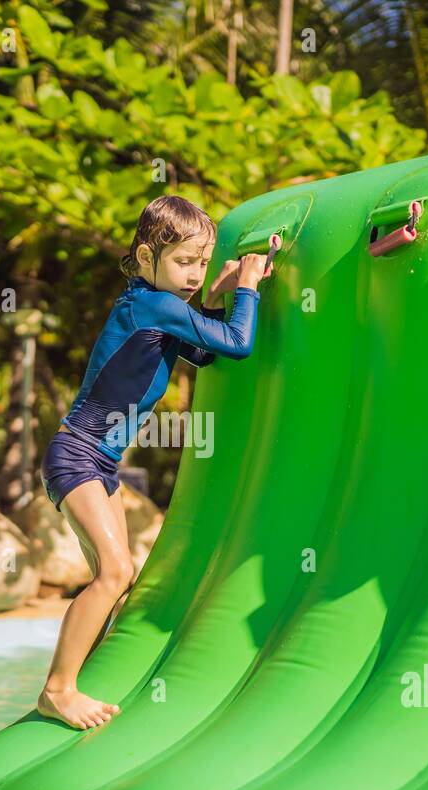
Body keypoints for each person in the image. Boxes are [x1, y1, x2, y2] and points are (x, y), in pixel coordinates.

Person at [36, 194, 272, 730]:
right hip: (77, 455)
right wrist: (249, 285)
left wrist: (218, 292)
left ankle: (84, 677)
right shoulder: (154, 306)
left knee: (117, 575)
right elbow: (237, 344)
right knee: (116, 570)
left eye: (202, 262)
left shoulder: (156, 307)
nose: (193, 274)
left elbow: (205, 350)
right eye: (183, 263)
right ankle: (58, 689)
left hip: (99, 461)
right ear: (146, 258)